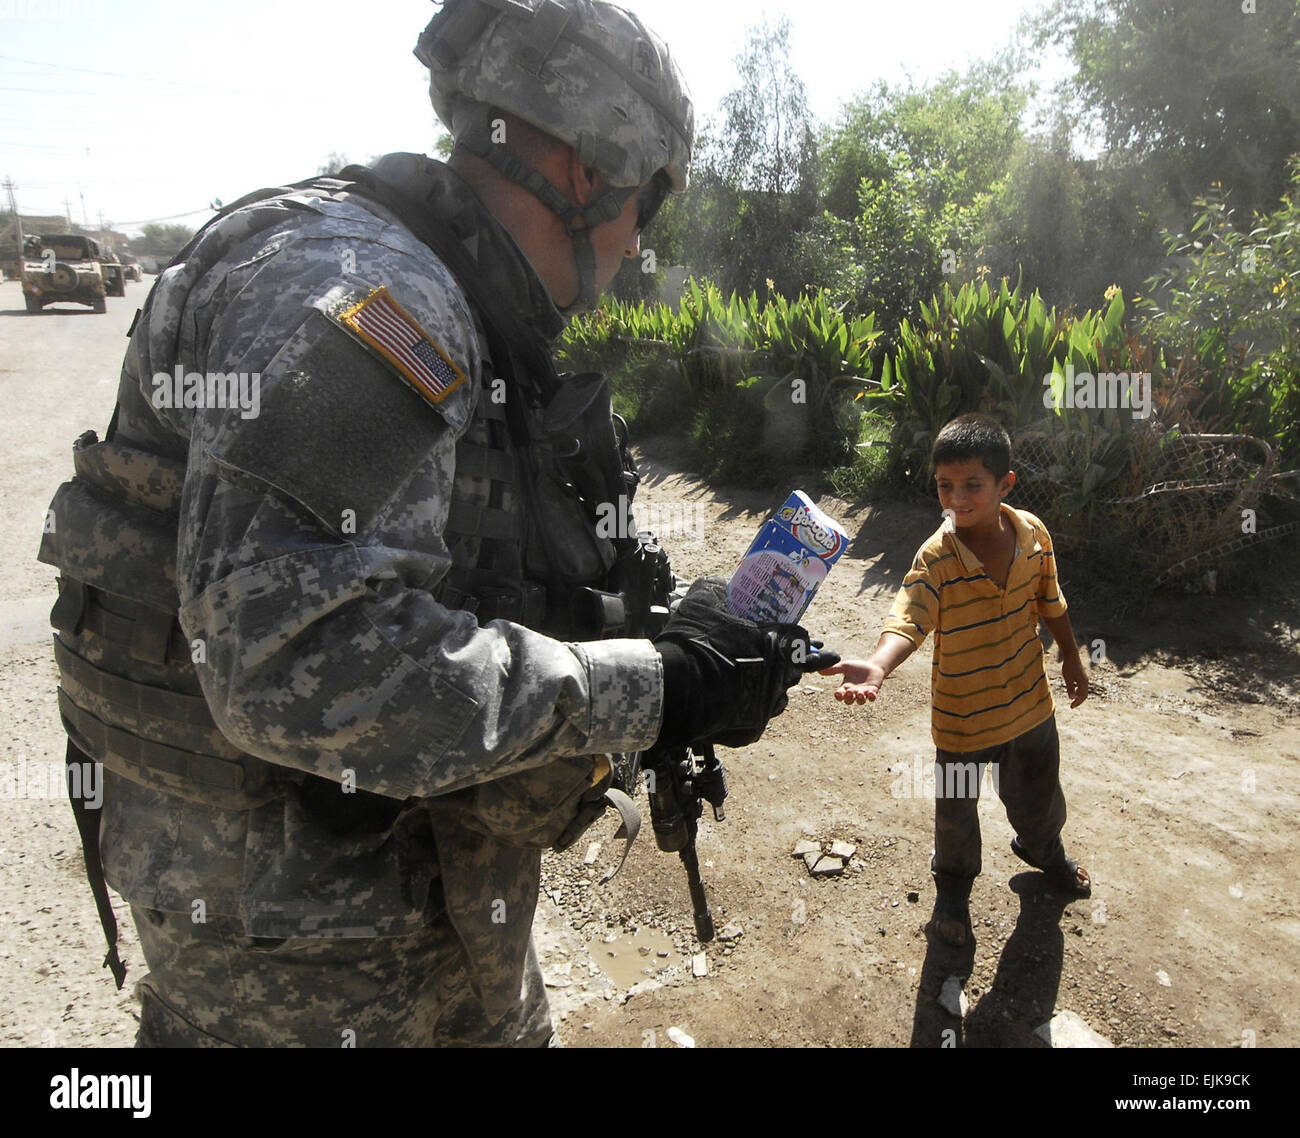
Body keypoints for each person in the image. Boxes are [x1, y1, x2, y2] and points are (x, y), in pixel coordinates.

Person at [37, 0, 831, 1047]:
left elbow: (455, 577)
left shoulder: (432, 285)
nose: (639, 240)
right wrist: (657, 687)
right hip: (312, 976)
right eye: (650, 202)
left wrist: (656, 631)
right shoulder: (376, 294)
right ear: (594, 168)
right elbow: (296, 660)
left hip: (415, 923)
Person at [821, 413, 1090, 947]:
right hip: (961, 720)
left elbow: (1051, 600)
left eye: (973, 485)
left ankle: (1045, 854)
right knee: (955, 817)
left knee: (1039, 801)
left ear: (1004, 484)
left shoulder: (1033, 534)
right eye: (945, 486)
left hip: (1030, 708)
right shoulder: (937, 557)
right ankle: (953, 894)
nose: (957, 498)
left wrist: (1071, 657)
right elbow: (909, 617)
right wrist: (879, 665)